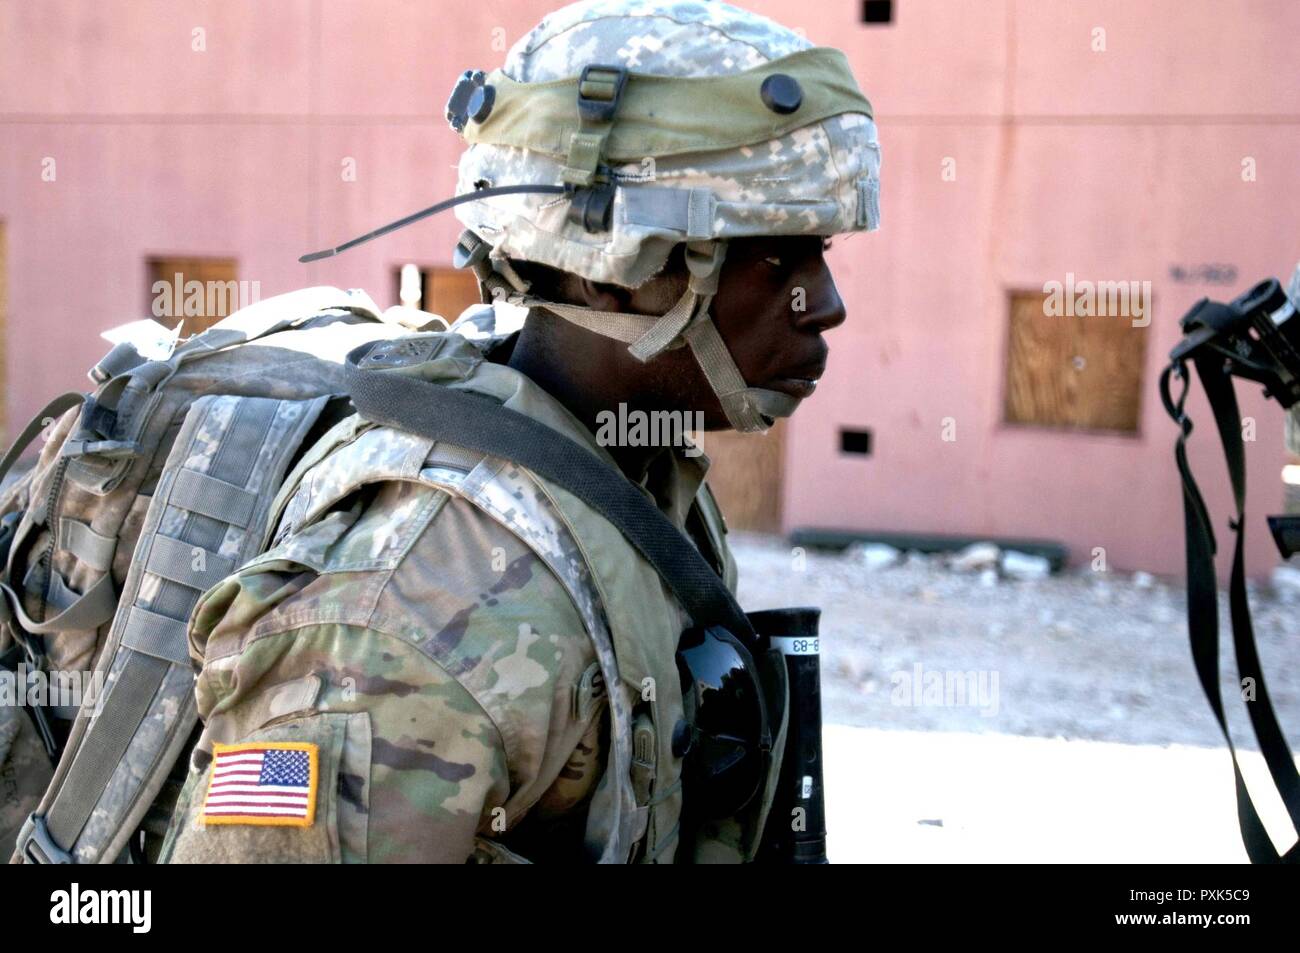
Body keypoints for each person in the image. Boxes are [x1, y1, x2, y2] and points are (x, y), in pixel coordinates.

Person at [159, 0, 880, 863]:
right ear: (621, 269)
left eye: (823, 252)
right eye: (778, 256)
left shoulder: (634, 471)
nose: (825, 304)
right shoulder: (410, 618)